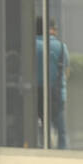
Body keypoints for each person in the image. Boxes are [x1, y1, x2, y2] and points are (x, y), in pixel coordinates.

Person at [34, 16, 70, 149]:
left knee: (37, 128)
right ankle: (63, 154)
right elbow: (66, 71)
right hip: (56, 94)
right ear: (51, 30)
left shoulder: (30, 45)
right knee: (61, 130)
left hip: (34, 93)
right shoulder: (61, 46)